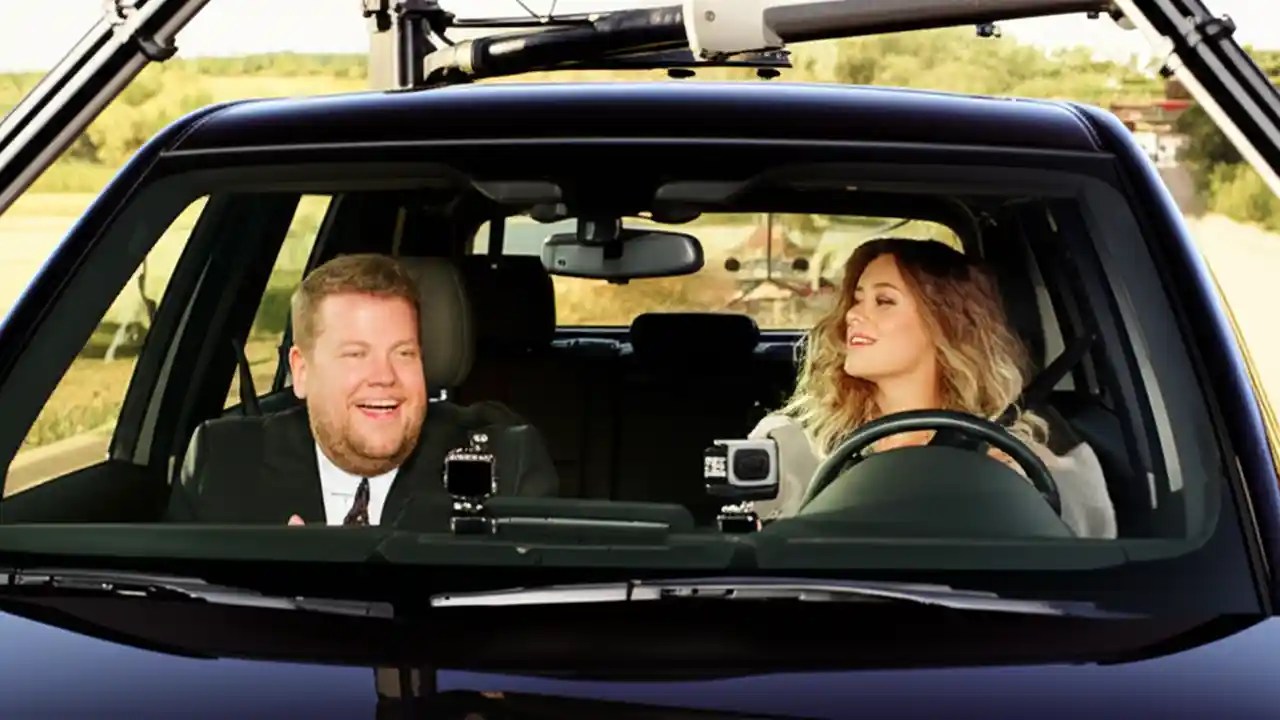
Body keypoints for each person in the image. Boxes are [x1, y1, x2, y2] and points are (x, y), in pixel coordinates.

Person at [749, 237, 1117, 539]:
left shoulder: (1022, 457)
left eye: (884, 301)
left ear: (946, 325)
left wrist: (1010, 492)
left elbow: (1088, 564)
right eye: (858, 298)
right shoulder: (788, 444)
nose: (853, 314)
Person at [165, 253, 559, 528]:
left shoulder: (508, 465)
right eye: (356, 354)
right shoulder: (222, 466)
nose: (384, 376)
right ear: (301, 372)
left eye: (403, 353)